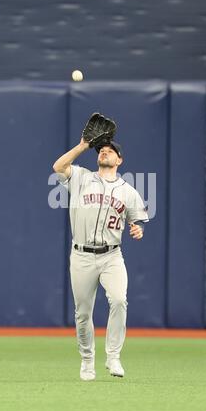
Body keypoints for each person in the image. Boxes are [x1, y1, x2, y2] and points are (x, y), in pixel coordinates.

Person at [53, 134, 149, 381]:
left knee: (119, 300)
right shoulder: (81, 177)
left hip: (111, 256)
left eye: (110, 150)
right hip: (81, 255)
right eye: (101, 150)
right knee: (83, 313)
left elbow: (136, 220)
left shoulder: (129, 191)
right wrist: (83, 145)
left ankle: (113, 356)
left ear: (120, 159)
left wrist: (138, 228)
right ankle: (87, 361)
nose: (104, 152)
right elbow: (58, 167)